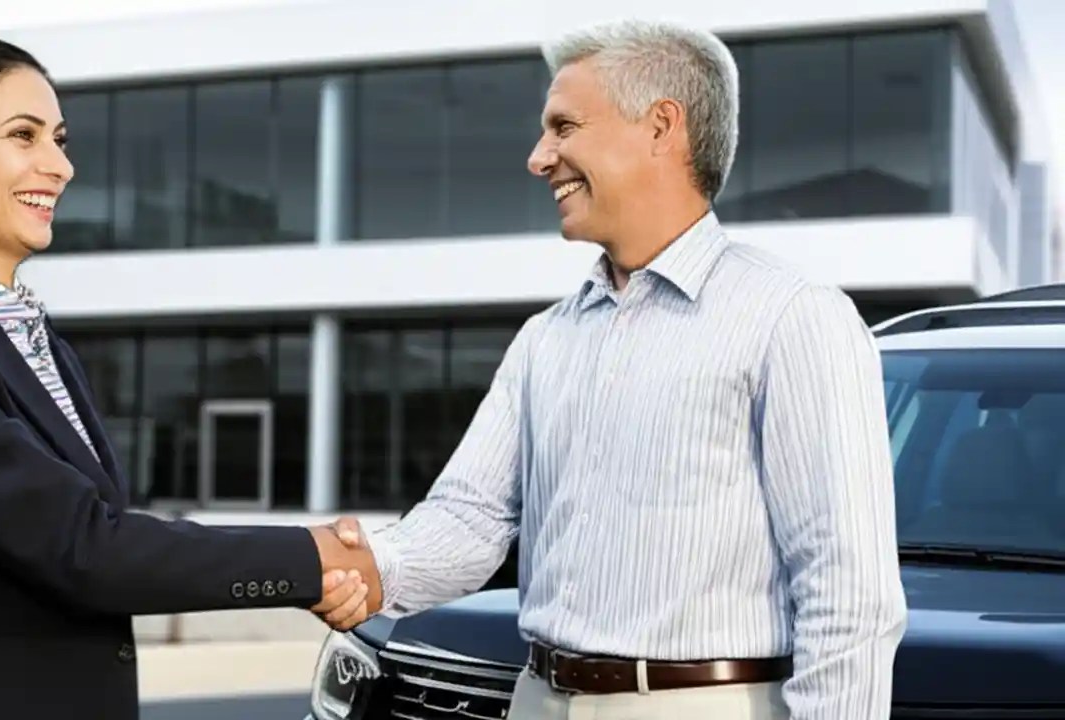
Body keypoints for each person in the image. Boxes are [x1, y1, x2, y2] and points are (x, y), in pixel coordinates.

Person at [326, 18, 907, 720]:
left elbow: (848, 593)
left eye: (564, 127)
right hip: (538, 699)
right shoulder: (546, 339)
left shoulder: (793, 319)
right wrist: (364, 568)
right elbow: (471, 519)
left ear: (662, 127)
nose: (540, 158)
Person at [0, 34, 376, 720]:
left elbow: (101, 531)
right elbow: (83, 547)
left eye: (59, 138)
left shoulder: (36, 337)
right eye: (24, 136)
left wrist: (314, 559)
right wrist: (310, 559)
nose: (59, 165)